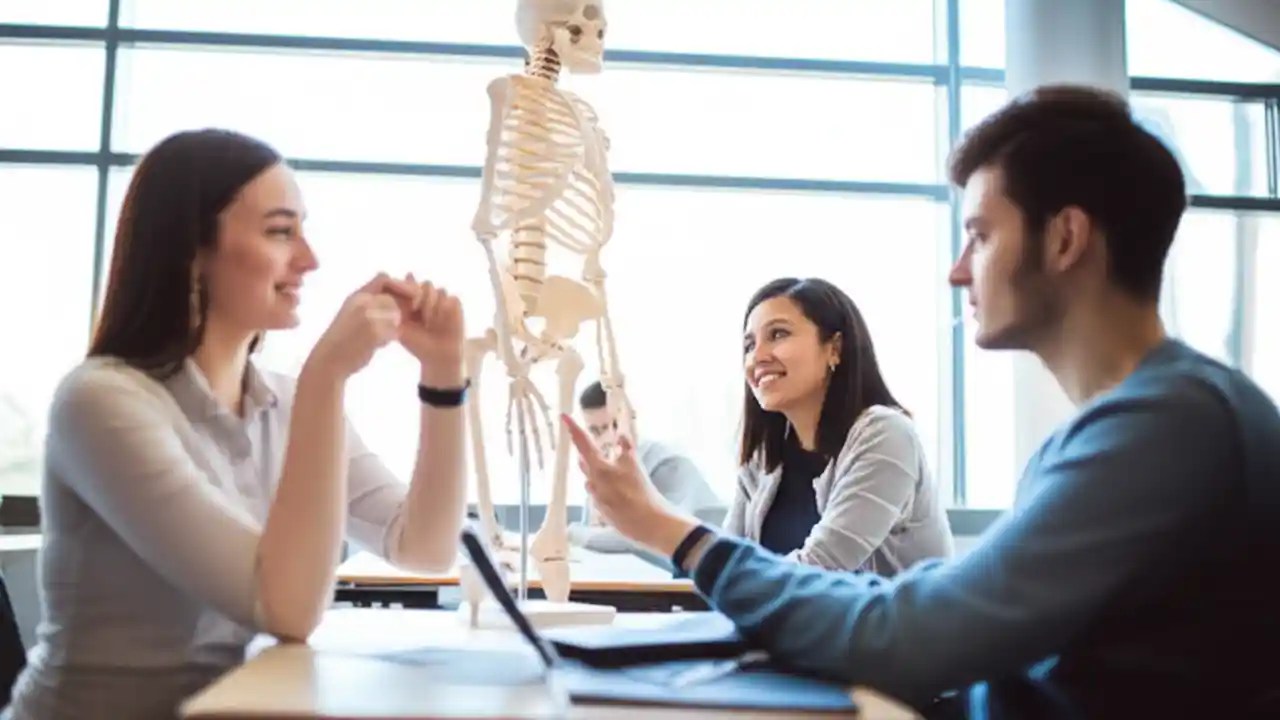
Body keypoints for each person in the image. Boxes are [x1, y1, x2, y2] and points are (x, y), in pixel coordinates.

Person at [562, 85, 1280, 719]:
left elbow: (913, 634)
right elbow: (939, 603)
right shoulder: (1135, 425)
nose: (957, 270)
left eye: (980, 235)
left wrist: (672, 532)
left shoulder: (1172, 425)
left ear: (1065, 238)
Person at [4, 129, 470, 720]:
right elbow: (288, 609)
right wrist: (328, 375)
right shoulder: (102, 403)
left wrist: (444, 375)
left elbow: (425, 548)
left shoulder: (284, 399)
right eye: (281, 231)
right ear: (191, 250)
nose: (310, 259)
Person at [728, 277, 953, 574]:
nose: (757, 356)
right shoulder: (763, 458)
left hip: (890, 621)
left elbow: (821, 569)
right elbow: (727, 563)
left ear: (834, 348)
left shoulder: (886, 434)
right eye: (749, 344)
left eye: (778, 334)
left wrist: (730, 583)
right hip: (794, 620)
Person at [568, 381, 725, 555]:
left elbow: (648, 537)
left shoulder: (668, 466)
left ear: (629, 418)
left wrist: (572, 533)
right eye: (595, 432)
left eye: (613, 426)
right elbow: (591, 529)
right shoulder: (604, 470)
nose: (605, 439)